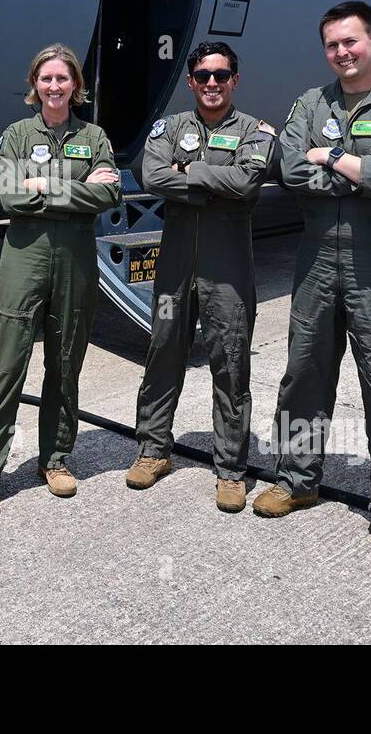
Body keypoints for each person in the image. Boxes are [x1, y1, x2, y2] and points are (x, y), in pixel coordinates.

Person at [253, 0, 371, 560]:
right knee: (304, 374)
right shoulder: (311, 103)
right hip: (317, 262)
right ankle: (295, 480)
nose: (342, 53)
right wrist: (360, 168)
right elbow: (289, 169)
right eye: (332, 44)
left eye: (351, 41)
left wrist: (328, 156)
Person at [0, 44, 122, 518]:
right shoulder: (16, 135)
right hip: (24, 259)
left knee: (66, 361)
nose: (55, 87)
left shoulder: (93, 135)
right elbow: (12, 199)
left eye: (63, 79)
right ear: (34, 85)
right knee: (5, 363)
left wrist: (45, 185)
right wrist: (77, 189)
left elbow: (111, 192)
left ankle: (54, 459)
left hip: (75, 260)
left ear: (76, 85)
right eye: (46, 79)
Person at [125, 42, 276, 512]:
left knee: (230, 360)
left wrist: (187, 172)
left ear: (235, 79)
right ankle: (154, 449)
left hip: (227, 271)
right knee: (164, 350)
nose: (213, 83)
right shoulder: (170, 128)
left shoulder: (256, 131)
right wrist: (214, 182)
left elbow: (248, 184)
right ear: (191, 81)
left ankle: (230, 469)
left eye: (222, 75)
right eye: (203, 75)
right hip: (173, 271)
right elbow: (151, 177)